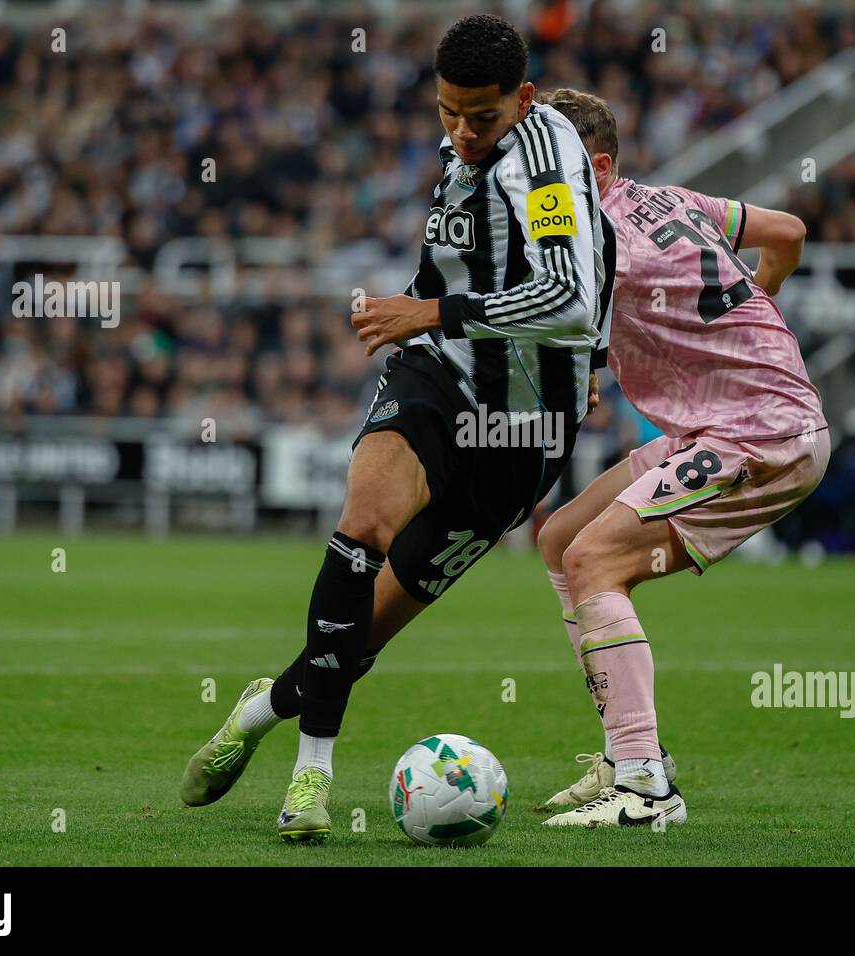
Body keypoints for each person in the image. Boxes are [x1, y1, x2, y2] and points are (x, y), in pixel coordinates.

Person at [179, 15, 611, 842]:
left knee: (362, 630)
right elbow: (453, 263)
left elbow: (572, 297)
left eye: (479, 117)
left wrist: (439, 311)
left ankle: (261, 711)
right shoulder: (461, 149)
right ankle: (312, 779)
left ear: (523, 100)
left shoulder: (549, 167)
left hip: (523, 437)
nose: (459, 130)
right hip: (439, 376)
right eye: (446, 111)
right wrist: (409, 314)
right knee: (362, 526)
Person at [531, 88, 829, 827]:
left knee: (596, 562)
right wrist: (759, 299)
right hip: (724, 421)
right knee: (561, 539)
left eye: (549, 163)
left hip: (758, 435)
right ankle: (625, 755)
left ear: (595, 166)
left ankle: (645, 789)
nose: (534, 179)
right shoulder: (672, 199)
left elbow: (562, 329)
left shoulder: (597, 234)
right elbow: (788, 230)